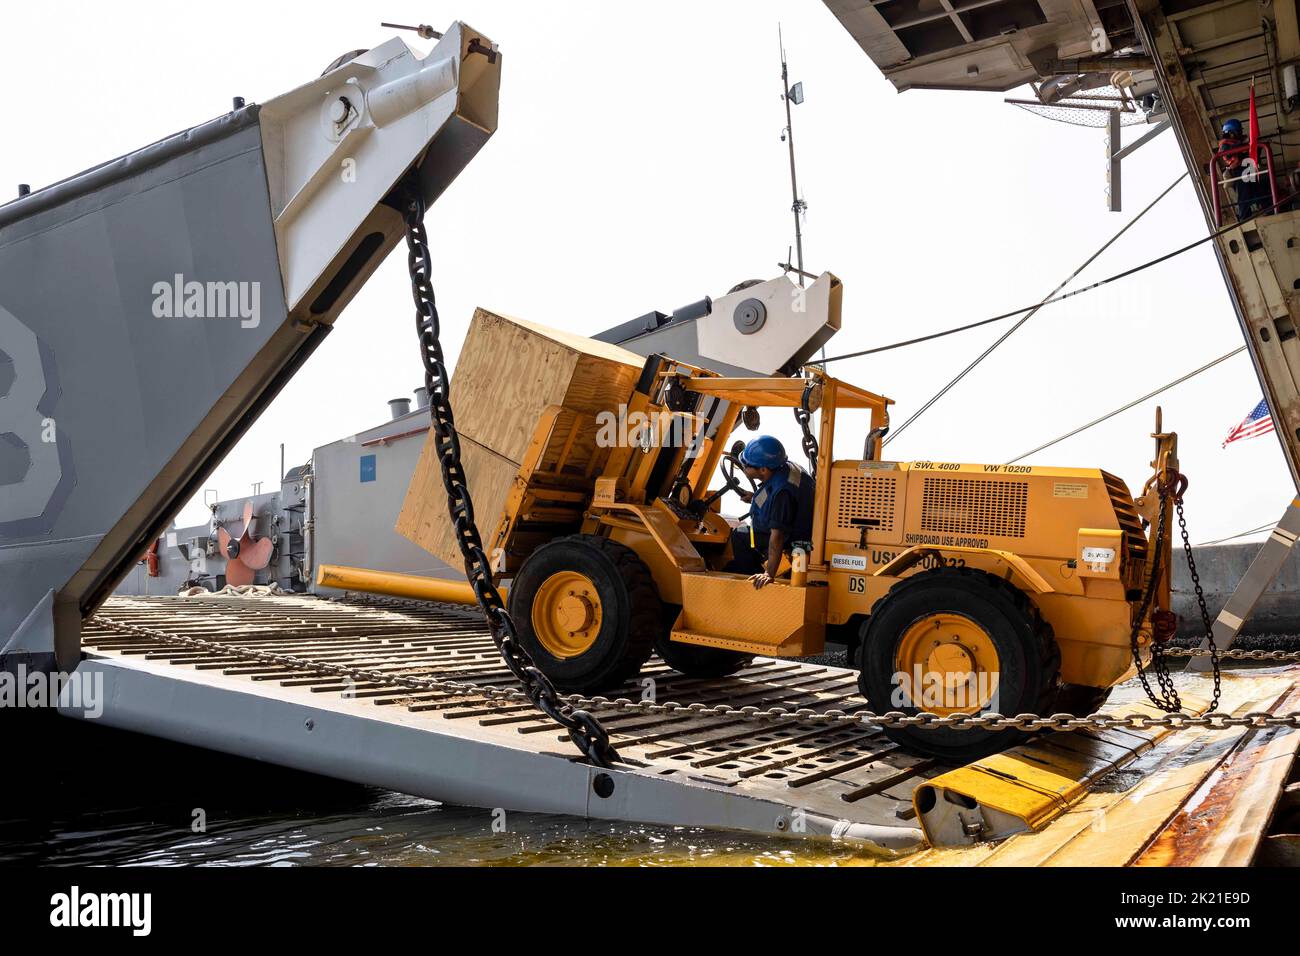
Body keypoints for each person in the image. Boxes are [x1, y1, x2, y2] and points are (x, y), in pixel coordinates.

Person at [725, 435, 815, 589]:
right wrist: (754, 497)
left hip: (792, 539)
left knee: (739, 535)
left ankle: (751, 580)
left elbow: (777, 536)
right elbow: (775, 495)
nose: (744, 467)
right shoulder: (784, 469)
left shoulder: (782, 494)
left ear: (763, 469)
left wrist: (769, 573)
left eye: (747, 465)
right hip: (795, 523)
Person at [1219, 118, 1270, 221]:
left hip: (1247, 170)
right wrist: (1246, 144)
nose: (1240, 133)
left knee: (1260, 190)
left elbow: (1248, 154)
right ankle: (1244, 219)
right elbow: (1228, 154)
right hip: (1239, 172)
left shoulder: (1237, 142)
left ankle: (1271, 209)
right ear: (1231, 132)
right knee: (1245, 196)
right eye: (1238, 131)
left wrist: (1257, 146)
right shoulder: (1225, 144)